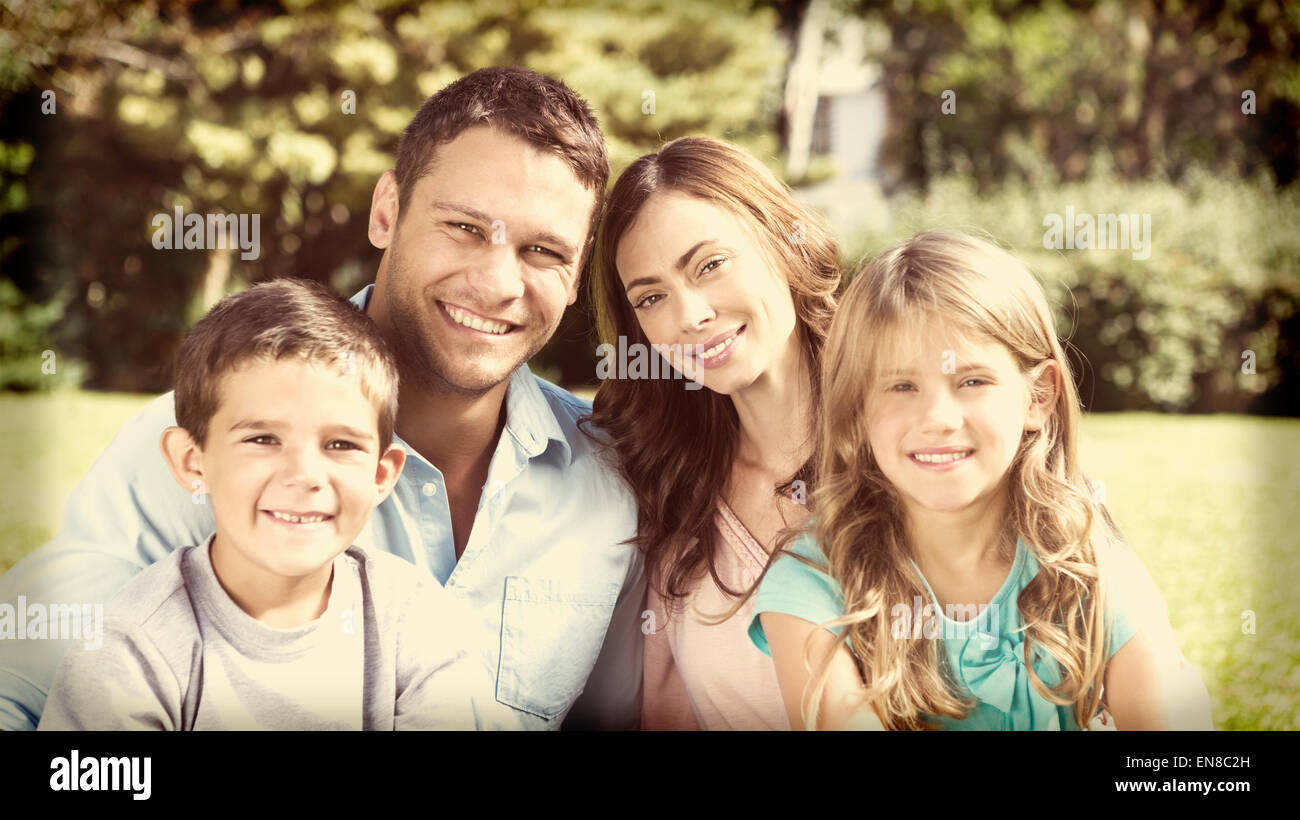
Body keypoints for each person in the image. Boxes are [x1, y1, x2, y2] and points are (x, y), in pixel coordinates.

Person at [0, 67, 643, 731]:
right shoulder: (213, 441)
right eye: (465, 228)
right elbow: (20, 696)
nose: (496, 282)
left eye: (543, 250)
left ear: (577, 273)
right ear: (387, 211)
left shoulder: (613, 485)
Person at [749, 231, 1215, 730]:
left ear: (1037, 397)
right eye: (901, 386)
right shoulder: (811, 582)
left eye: (972, 381)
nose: (937, 419)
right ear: (858, 412)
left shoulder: (1088, 567)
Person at [39, 279, 495, 730]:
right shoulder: (132, 651)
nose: (304, 475)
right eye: (262, 439)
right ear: (192, 462)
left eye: (340, 444)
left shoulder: (413, 621)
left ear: (381, 474)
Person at [586, 137, 840, 729]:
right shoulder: (672, 495)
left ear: (780, 238)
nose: (690, 317)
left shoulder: (914, 440)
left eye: (709, 265)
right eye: (651, 298)